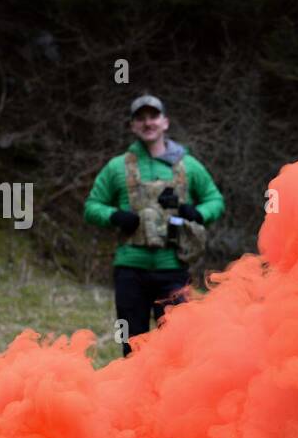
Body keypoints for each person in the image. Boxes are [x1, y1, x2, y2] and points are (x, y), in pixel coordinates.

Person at [84, 95, 225, 355]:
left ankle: (171, 396)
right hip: (130, 270)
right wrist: (114, 216)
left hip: (174, 269)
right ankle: (133, 396)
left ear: (165, 122)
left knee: (176, 348)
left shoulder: (188, 165)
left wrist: (198, 213)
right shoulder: (117, 167)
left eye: (153, 116)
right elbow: (92, 206)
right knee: (132, 344)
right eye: (140, 118)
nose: (147, 122)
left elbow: (215, 200)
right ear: (132, 126)